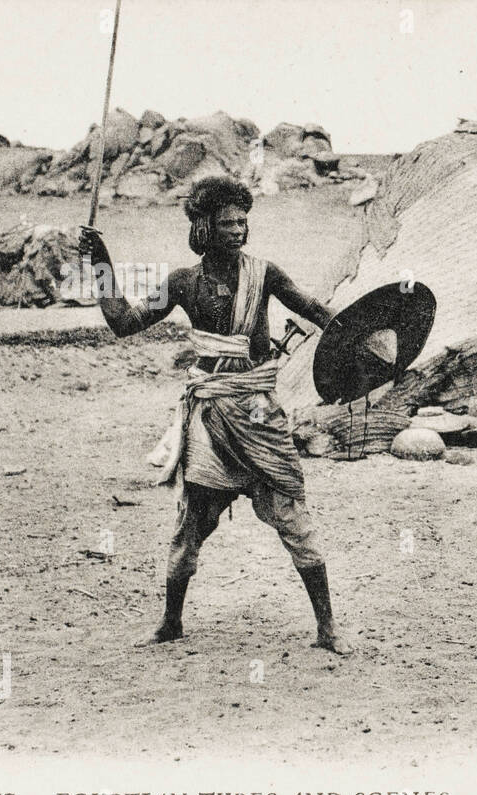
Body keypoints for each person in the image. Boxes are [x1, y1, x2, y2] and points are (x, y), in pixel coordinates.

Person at [81, 176, 352, 654]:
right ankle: (171, 623)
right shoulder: (184, 283)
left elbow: (310, 307)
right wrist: (99, 262)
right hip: (209, 421)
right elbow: (123, 322)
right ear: (204, 226)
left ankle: (328, 628)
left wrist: (360, 335)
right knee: (191, 526)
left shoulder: (266, 274)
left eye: (243, 221)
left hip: (259, 415)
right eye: (227, 222)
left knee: (293, 516)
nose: (238, 230)